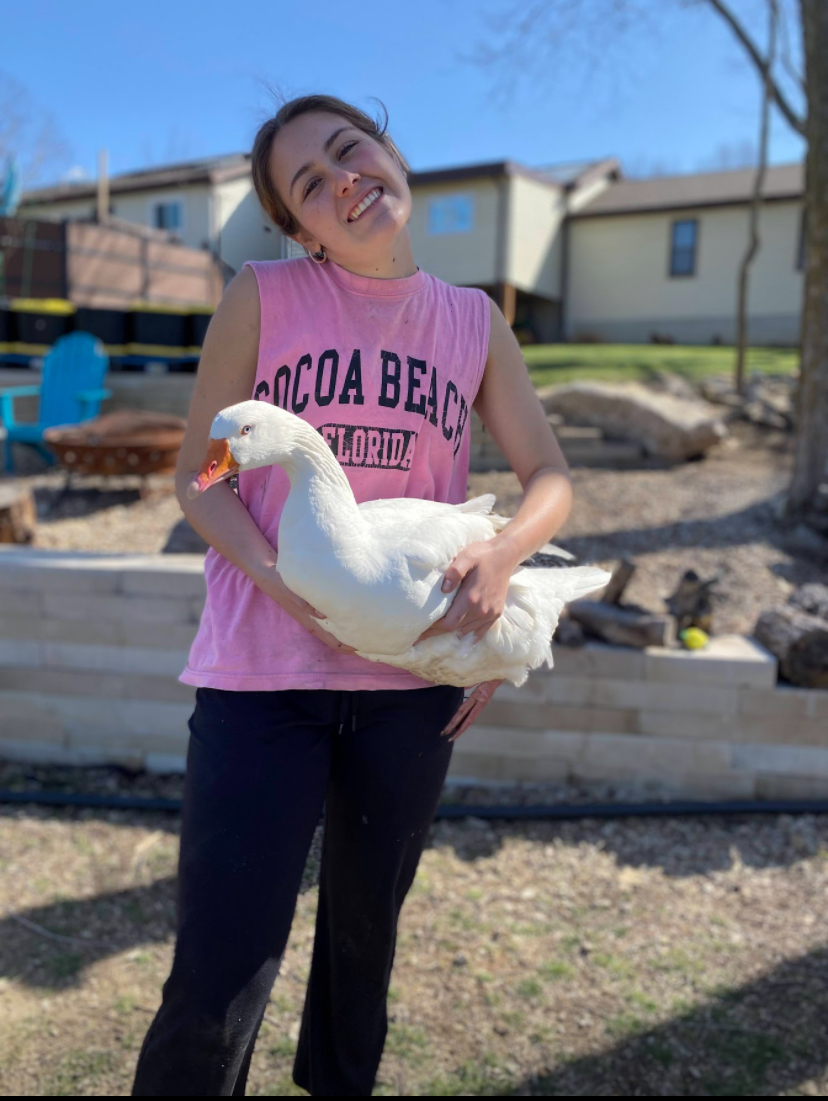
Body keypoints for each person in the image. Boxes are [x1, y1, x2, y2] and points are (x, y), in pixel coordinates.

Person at [131, 93, 573, 1097]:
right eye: (311, 186)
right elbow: (199, 482)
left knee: (361, 962)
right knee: (219, 972)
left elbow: (549, 478)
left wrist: (497, 577)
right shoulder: (262, 296)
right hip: (263, 674)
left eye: (351, 150)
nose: (346, 183)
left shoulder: (476, 322)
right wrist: (283, 585)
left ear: (389, 152)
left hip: (410, 687)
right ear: (298, 228)